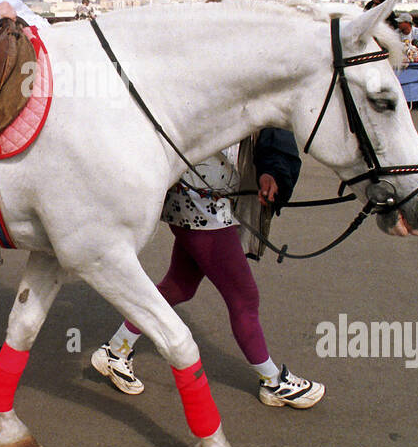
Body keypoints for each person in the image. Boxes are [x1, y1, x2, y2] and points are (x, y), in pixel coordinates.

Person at [90, 128, 325, 409]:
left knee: (179, 286)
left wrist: (270, 171)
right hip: (202, 205)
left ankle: (115, 350)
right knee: (244, 298)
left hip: (203, 199)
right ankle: (272, 381)